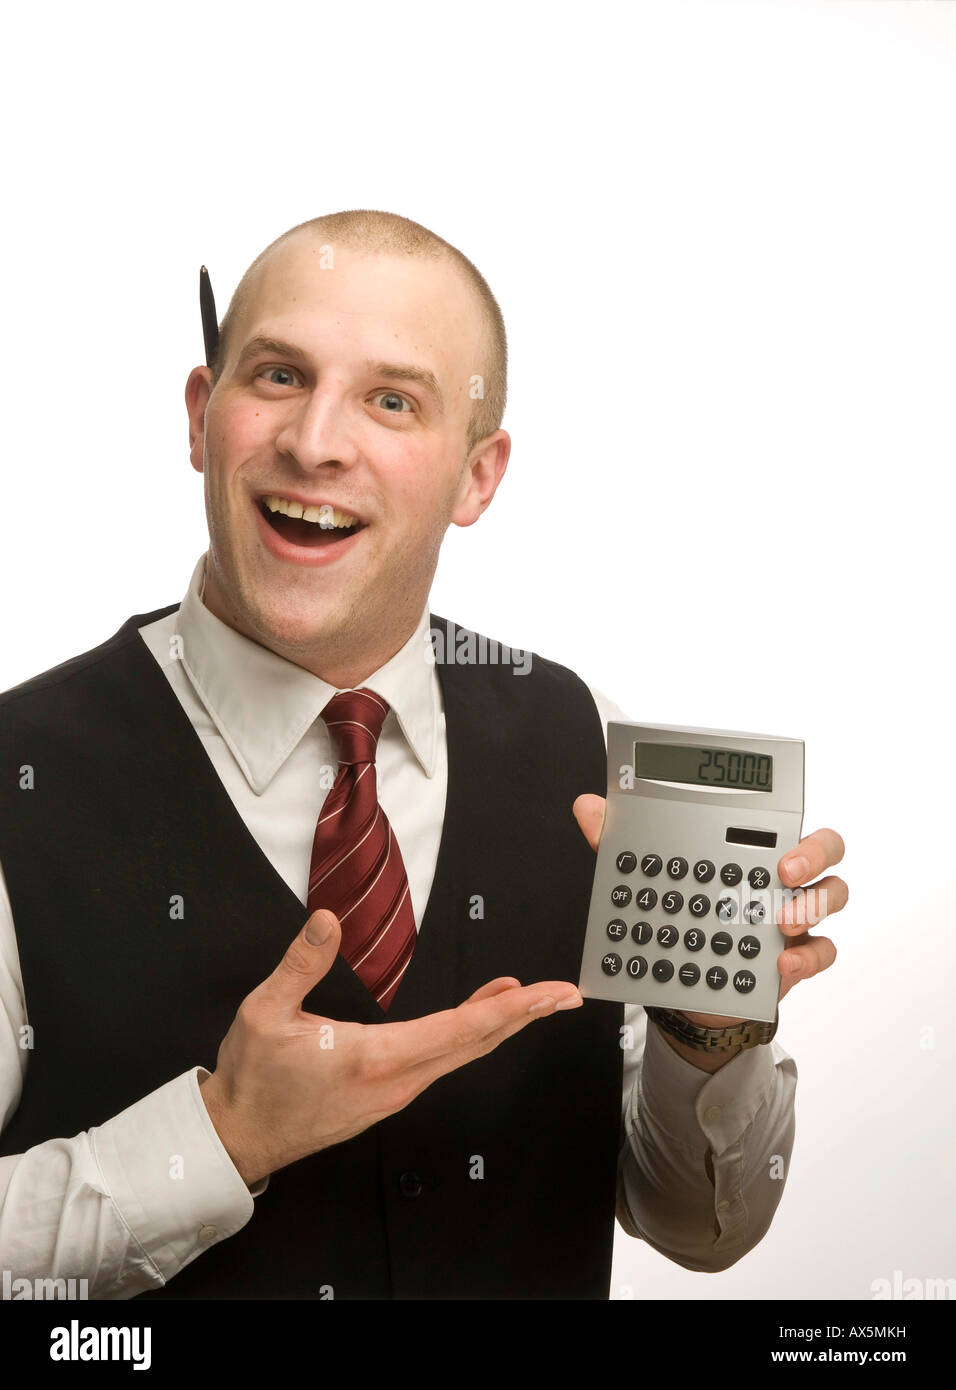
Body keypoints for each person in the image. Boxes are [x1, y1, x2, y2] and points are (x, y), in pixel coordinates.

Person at [0, 209, 848, 1300]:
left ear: (475, 477)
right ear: (202, 417)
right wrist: (219, 1136)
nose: (315, 442)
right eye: (276, 377)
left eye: (391, 399)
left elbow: (698, 1226)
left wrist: (707, 1047)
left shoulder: (576, 735)